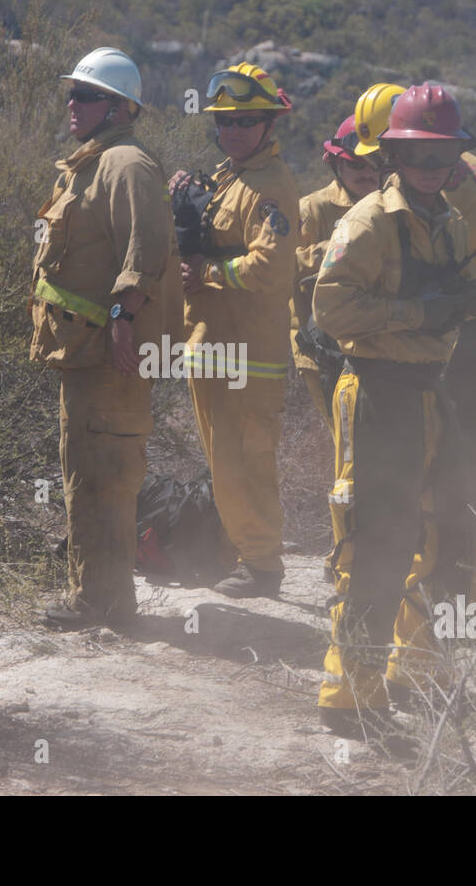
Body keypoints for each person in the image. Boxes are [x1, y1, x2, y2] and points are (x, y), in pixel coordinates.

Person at [349, 83, 476, 703]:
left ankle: (419, 655)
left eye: (384, 154)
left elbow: (386, 256)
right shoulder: (456, 166)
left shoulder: (432, 192)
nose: (381, 168)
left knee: (444, 492)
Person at [311, 84, 476, 747]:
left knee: (439, 535)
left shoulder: (450, 222)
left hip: (426, 392)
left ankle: (412, 670)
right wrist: (419, 313)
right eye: (417, 152)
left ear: (455, 158)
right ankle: (347, 694)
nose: (429, 165)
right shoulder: (367, 222)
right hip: (376, 391)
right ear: (392, 153)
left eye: (442, 153)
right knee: (374, 544)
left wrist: (464, 307)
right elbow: (329, 310)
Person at [30, 47, 178, 629]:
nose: (73, 103)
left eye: (86, 95)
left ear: (118, 108)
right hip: (84, 354)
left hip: (110, 358)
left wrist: (124, 318)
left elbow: (148, 248)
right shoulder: (93, 164)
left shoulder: (127, 165)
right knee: (87, 477)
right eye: (72, 93)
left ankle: (105, 603)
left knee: (105, 483)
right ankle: (95, 595)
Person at [168, 63, 300, 599]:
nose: (234, 131)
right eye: (225, 121)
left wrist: (210, 273)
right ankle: (240, 552)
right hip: (212, 344)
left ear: (270, 124)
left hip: (249, 354)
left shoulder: (270, 188)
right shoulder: (230, 178)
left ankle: (263, 565)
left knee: (247, 461)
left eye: (246, 120)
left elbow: (271, 271)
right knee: (225, 462)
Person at [292, 116, 381, 423]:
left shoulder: (390, 208)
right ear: (336, 164)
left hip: (376, 345)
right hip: (323, 351)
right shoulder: (313, 209)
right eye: (358, 164)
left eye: (376, 163)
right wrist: (342, 246)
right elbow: (287, 265)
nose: (368, 173)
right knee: (346, 440)